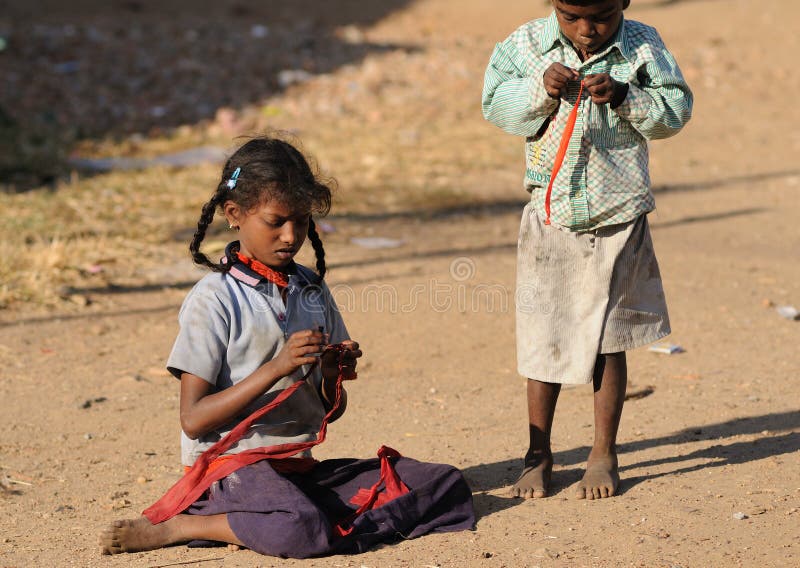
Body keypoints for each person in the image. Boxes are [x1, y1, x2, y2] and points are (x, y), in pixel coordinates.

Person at [99, 136, 475, 557]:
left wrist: (332, 373)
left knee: (443, 484)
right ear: (234, 215)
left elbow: (328, 410)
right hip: (229, 471)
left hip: (295, 469)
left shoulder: (310, 291)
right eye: (275, 221)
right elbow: (193, 419)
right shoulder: (214, 299)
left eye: (300, 220)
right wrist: (277, 367)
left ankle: (305, 522)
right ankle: (188, 524)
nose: (290, 235)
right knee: (302, 526)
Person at [482, 0, 692, 500]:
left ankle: (603, 454)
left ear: (624, 2)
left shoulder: (644, 44)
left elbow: (674, 112)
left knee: (608, 341)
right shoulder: (526, 44)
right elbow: (495, 105)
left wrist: (627, 96)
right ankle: (539, 455)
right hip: (551, 217)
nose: (585, 30)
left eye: (599, 16)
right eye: (570, 16)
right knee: (543, 340)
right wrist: (541, 90)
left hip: (619, 215)